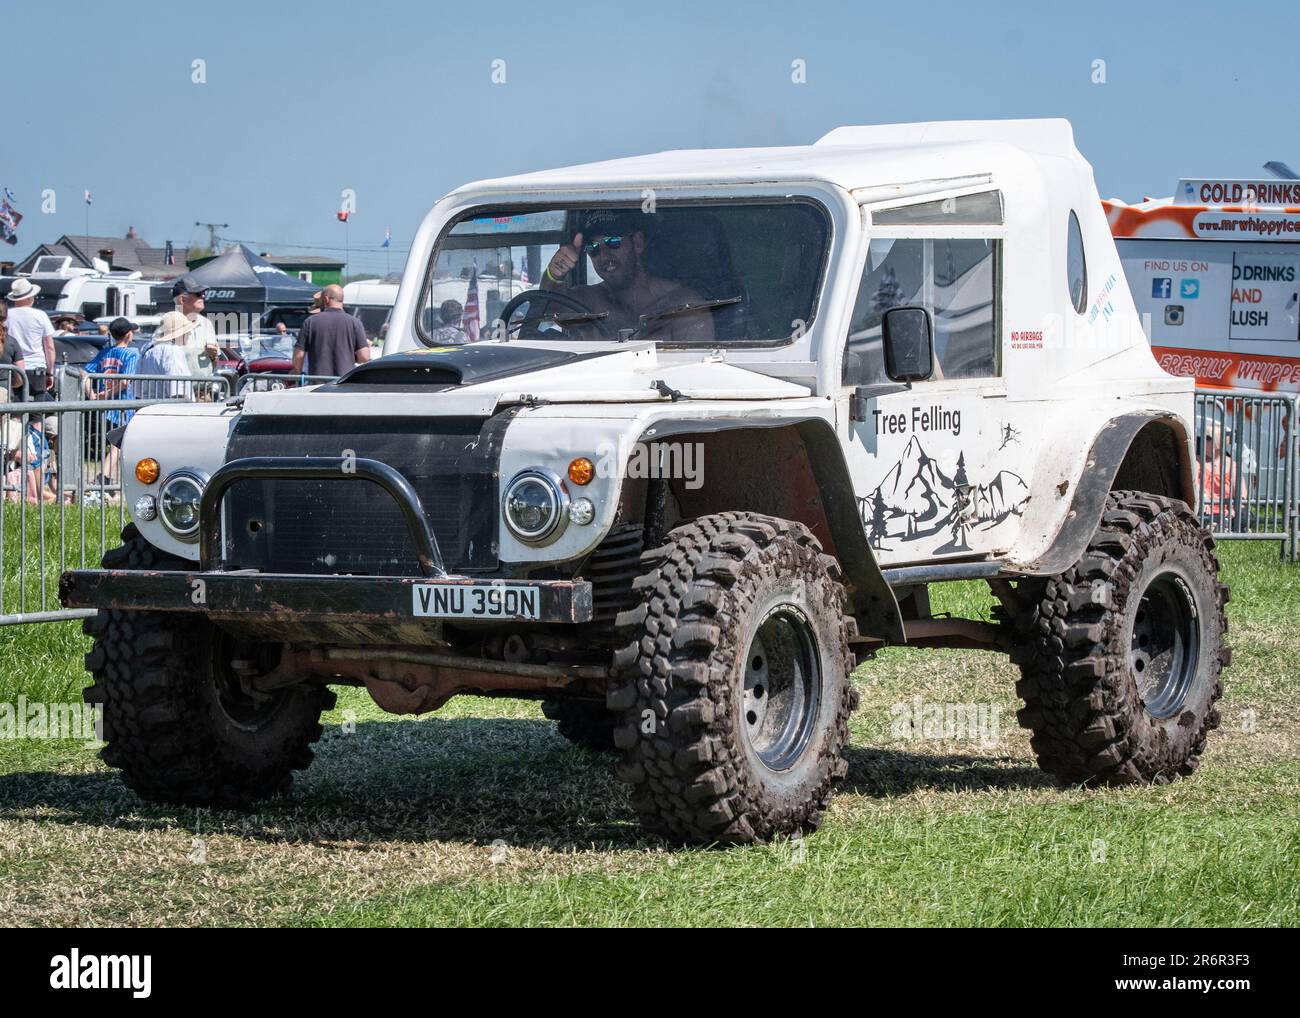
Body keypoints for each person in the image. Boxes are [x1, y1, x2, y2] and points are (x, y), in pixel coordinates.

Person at [540, 210, 713, 343]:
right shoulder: (587, 301)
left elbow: (698, 373)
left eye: (613, 242)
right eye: (593, 248)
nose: (604, 255)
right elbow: (546, 309)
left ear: (637, 243)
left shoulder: (683, 305)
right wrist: (554, 274)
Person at [292, 284, 370, 376]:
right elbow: (364, 357)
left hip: (317, 383)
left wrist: (297, 374)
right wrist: (350, 357)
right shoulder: (355, 323)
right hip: (344, 383)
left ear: (326, 299)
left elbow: (298, 356)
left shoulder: (310, 322)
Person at [4, 277, 56, 400]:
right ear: (29, 298)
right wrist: (50, 372)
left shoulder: (7, 316)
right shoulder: (40, 315)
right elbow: (49, 347)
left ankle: (16, 419)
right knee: (37, 413)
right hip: (36, 367)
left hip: (14, 367)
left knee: (15, 411)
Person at [137, 312, 196, 399]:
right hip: (170, 408)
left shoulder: (147, 349)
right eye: (187, 331)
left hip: (149, 406)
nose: (190, 334)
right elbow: (177, 389)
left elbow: (138, 391)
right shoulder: (173, 351)